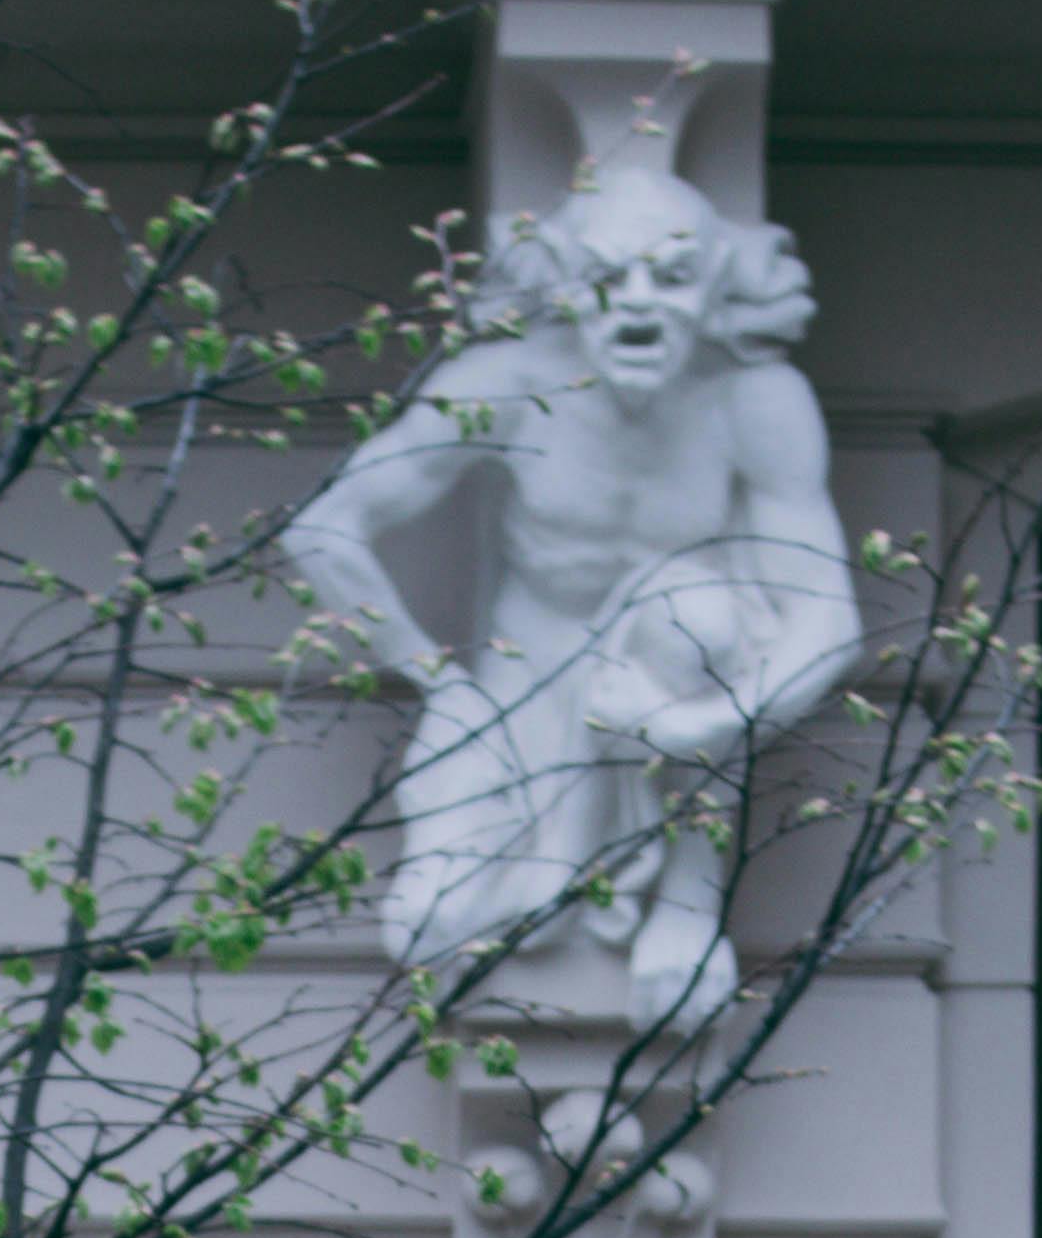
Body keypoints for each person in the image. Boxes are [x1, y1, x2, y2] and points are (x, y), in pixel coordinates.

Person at [289, 151, 859, 1042]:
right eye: (607, 277)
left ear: (716, 286)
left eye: (670, 277)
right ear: (563, 287)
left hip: (674, 668)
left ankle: (686, 903)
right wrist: (440, 683)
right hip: (529, 666)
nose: (637, 302)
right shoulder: (508, 384)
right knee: (433, 927)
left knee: (699, 618)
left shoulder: (755, 401)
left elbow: (825, 614)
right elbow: (326, 530)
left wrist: (712, 724)